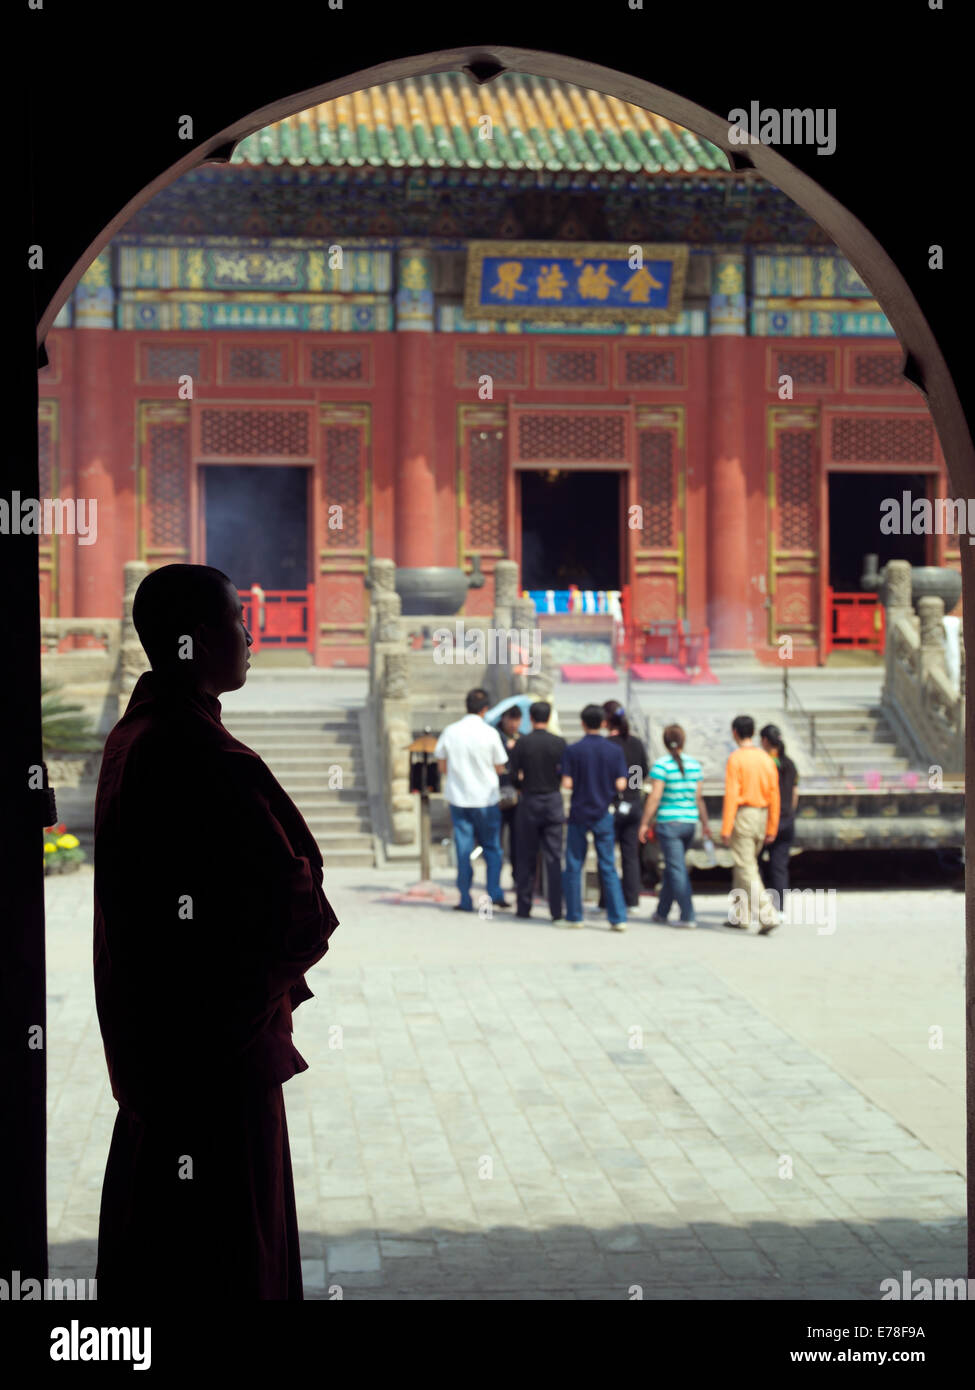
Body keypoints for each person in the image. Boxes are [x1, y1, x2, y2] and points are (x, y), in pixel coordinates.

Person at [93, 564, 339, 1301]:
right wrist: (243, 1007)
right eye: (238, 619)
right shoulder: (196, 751)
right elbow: (299, 908)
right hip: (215, 1063)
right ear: (196, 640)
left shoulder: (135, 736)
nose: (250, 633)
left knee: (163, 1246)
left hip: (158, 1055)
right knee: (228, 1254)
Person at [435, 687, 509, 912]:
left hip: (459, 798)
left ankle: (465, 898)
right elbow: (500, 767)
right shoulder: (490, 733)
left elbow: (442, 765)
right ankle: (494, 893)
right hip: (486, 799)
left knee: (463, 849)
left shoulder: (450, 731)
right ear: (485, 709)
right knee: (492, 848)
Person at [561, 704, 629, 931]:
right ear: (603, 723)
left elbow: (567, 783)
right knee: (608, 865)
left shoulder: (573, 750)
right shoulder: (615, 751)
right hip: (603, 812)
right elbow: (622, 782)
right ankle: (618, 917)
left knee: (573, 864)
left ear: (582, 723)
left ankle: (574, 915)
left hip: (579, 811)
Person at [638, 724, 710, 928]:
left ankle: (688, 914)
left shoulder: (662, 765)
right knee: (673, 867)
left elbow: (655, 796)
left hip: (669, 823)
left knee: (676, 868)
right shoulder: (695, 765)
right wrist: (704, 823)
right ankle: (662, 911)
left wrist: (645, 822)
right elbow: (699, 798)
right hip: (689, 822)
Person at [721, 714, 780, 933]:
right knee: (744, 865)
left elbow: (732, 795)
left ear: (735, 733)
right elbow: (775, 796)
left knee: (746, 868)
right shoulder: (766, 759)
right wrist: (772, 826)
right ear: (754, 733)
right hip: (762, 815)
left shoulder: (736, 759)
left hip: (744, 815)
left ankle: (767, 914)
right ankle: (740, 915)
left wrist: (726, 828)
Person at [507, 701, 566, 921]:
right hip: (552, 799)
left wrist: (522, 786)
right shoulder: (559, 743)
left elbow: (512, 775)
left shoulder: (522, 744)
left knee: (526, 856)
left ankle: (524, 907)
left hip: (529, 800)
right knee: (553, 858)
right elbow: (564, 773)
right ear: (549, 717)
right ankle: (556, 910)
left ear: (530, 718)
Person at [597, 701, 648, 913]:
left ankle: (605, 900)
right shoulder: (635, 743)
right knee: (630, 854)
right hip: (634, 802)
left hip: (611, 804)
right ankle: (632, 900)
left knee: (606, 854)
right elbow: (641, 771)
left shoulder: (607, 745)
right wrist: (631, 791)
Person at [760, 724, 799, 914]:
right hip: (787, 820)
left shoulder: (766, 764)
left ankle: (757, 904)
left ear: (765, 741)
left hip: (768, 820)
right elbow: (794, 793)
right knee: (779, 867)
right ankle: (780, 908)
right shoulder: (790, 764)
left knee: (755, 863)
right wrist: (790, 813)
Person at [496, 703, 524, 887]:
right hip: (496, 794)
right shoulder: (495, 737)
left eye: (517, 720)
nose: (514, 724)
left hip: (516, 795)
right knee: (495, 841)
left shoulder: (522, 739)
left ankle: (516, 877)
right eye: (510, 719)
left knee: (517, 841)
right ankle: (495, 879)